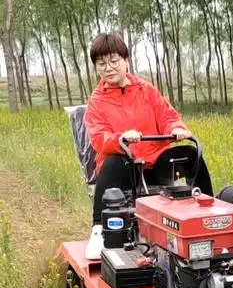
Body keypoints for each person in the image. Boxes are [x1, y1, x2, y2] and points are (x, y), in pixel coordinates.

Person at [84, 32, 212, 259]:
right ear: (96, 68)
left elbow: (167, 116)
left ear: (126, 60)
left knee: (190, 153)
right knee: (113, 161)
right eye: (101, 64)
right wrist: (121, 138)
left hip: (155, 161)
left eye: (114, 61)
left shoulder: (146, 90)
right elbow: (99, 137)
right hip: (124, 167)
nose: (108, 68)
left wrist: (175, 128)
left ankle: (208, 212)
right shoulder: (97, 101)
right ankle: (99, 229)